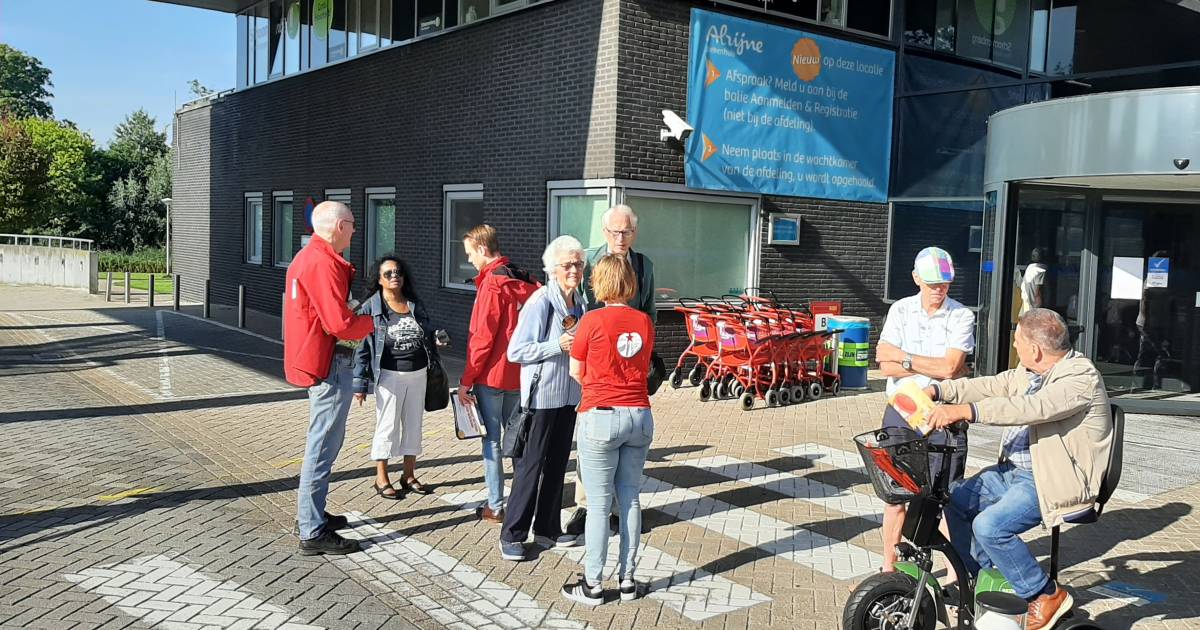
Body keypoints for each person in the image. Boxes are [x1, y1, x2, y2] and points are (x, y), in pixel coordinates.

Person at [925, 308, 1113, 630]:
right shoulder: (1030, 372)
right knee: (954, 501)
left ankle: (1044, 593)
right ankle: (987, 581)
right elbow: (991, 386)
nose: (1014, 347)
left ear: (1035, 349)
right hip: (1014, 471)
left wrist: (965, 412)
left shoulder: (1080, 377)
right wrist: (940, 391)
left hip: (1050, 480)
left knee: (989, 527)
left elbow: (1031, 408)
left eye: (1016, 342)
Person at [874, 246, 975, 577]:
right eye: (933, 283)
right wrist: (927, 365)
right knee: (894, 495)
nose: (939, 290)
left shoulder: (962, 315)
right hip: (901, 412)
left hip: (941, 415)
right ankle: (889, 571)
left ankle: (957, 576)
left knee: (945, 499)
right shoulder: (901, 310)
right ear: (917, 278)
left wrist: (904, 358)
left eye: (945, 283)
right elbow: (881, 360)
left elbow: (950, 368)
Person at [563, 254, 655, 606]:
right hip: (639, 414)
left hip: (601, 413)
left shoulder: (591, 320)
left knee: (599, 506)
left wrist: (597, 386)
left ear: (599, 283)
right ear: (630, 282)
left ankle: (593, 584)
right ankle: (628, 579)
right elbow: (643, 366)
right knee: (630, 498)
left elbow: (575, 369)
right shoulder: (644, 322)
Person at [284, 200, 375, 556]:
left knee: (321, 443)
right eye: (351, 224)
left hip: (316, 357)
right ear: (339, 226)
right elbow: (339, 324)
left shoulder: (309, 257)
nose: (354, 230)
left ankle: (312, 513)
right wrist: (373, 323)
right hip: (329, 361)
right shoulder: (323, 263)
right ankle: (311, 528)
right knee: (323, 446)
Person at [566, 204, 656, 537]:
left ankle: (618, 511)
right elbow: (573, 305)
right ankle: (586, 505)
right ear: (604, 232)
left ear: (635, 233)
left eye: (627, 231)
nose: (621, 237)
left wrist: (645, 358)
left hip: (630, 369)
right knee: (591, 438)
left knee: (622, 444)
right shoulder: (588, 260)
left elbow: (649, 311)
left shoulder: (644, 265)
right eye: (615, 231)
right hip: (595, 365)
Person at [498, 236, 588, 560]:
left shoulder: (580, 302)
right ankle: (512, 533)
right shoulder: (541, 302)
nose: (574, 270)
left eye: (578, 264)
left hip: (569, 396)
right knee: (530, 467)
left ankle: (548, 529)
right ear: (552, 269)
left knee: (558, 465)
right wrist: (556, 346)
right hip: (541, 396)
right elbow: (516, 351)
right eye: (567, 265)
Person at [457, 224, 540, 524]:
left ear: (482, 248)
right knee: (518, 437)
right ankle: (524, 498)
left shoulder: (491, 284)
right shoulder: (525, 279)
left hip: (491, 376)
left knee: (492, 440)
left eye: (470, 254)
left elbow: (482, 337)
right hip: (521, 373)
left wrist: (467, 379)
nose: (469, 261)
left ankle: (496, 504)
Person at [352, 256, 446, 500]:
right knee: (388, 426)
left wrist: (436, 337)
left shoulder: (414, 304)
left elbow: (428, 330)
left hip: (418, 373)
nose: (395, 276)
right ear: (379, 280)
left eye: (398, 272)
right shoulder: (371, 308)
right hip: (389, 377)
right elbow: (361, 349)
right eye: (388, 273)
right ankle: (381, 477)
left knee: (413, 425)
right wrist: (360, 383)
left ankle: (408, 474)